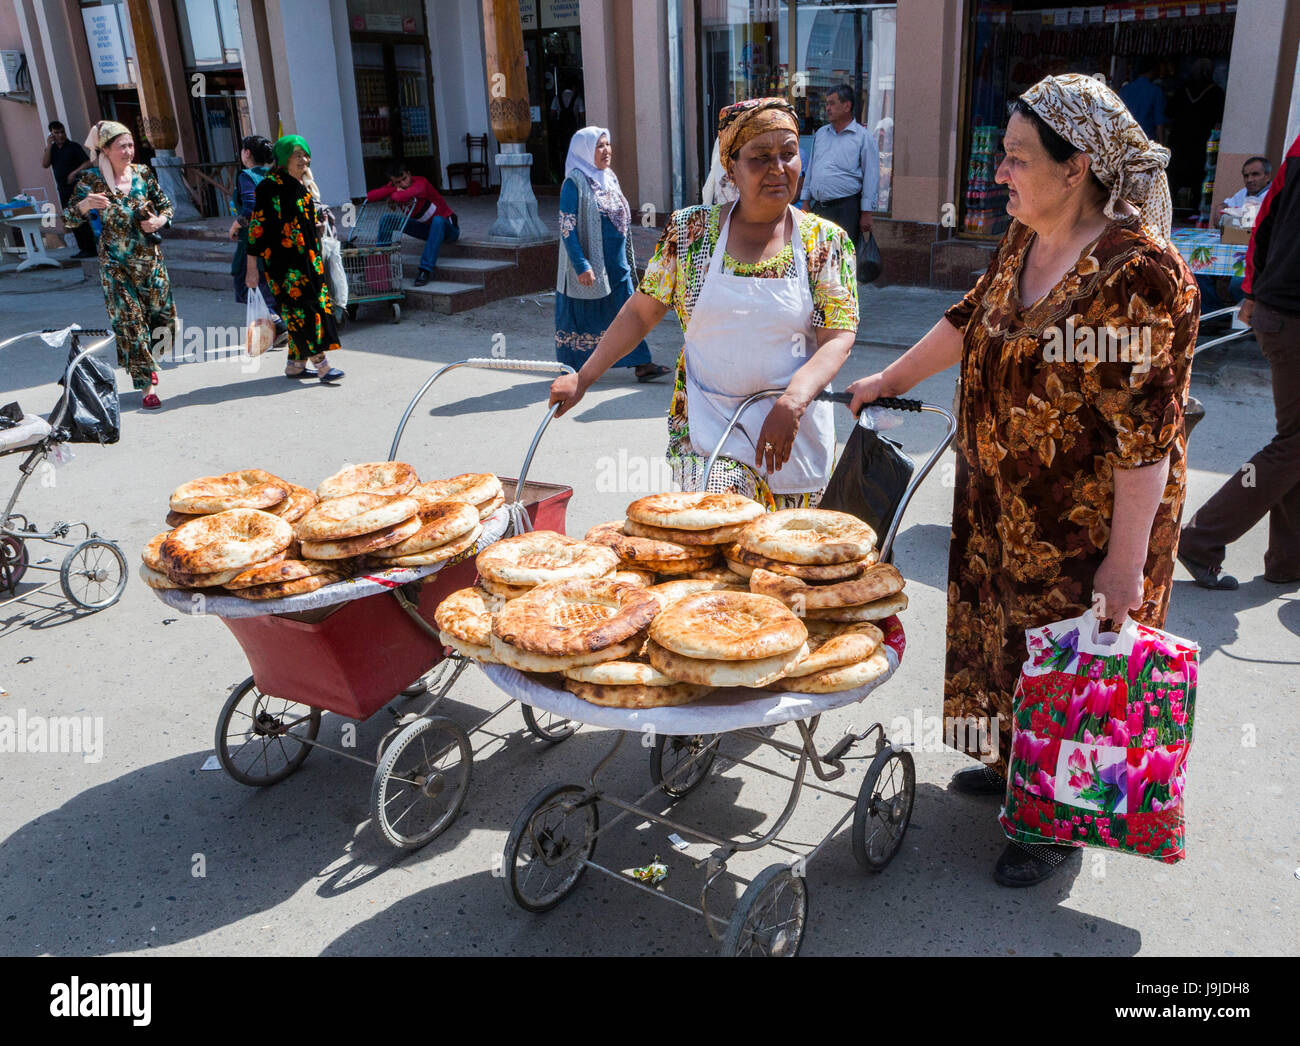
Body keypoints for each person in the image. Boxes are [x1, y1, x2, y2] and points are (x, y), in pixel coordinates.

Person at [846, 74, 1198, 886]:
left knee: (1071, 660)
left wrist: (1123, 565)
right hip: (1000, 502)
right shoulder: (1025, 237)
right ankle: (1008, 763)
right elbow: (968, 320)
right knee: (998, 635)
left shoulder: (1140, 275)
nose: (998, 174)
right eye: (1001, 157)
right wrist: (887, 381)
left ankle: (1055, 822)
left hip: (1085, 525)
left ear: (1078, 169)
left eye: (1016, 159)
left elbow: (1147, 440)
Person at [549, 98, 859, 508]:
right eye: (760, 158)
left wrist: (794, 399)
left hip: (791, 427)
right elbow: (641, 313)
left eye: (788, 153)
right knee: (719, 529)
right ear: (730, 168)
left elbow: (837, 336)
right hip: (710, 424)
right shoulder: (691, 233)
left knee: (782, 561)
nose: (778, 168)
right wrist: (583, 377)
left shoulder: (826, 242)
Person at [1179, 133, 1300, 590]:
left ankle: (1288, 562)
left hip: (1278, 308)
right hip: (1291, 314)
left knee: (1295, 443)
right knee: (1292, 445)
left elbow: (1265, 221)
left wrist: (1252, 290)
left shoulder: (1295, 150)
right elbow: (1267, 220)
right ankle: (1201, 537)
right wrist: (1250, 290)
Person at [62, 120, 177, 410]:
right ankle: (146, 385)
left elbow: (166, 206)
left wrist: (158, 221)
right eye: (121, 146)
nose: (128, 151)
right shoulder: (91, 182)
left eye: (130, 145)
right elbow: (67, 219)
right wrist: (86, 205)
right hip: (116, 265)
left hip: (150, 262)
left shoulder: (143, 173)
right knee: (131, 325)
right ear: (105, 150)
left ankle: (150, 359)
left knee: (165, 322)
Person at [554, 127, 665, 382]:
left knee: (628, 313)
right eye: (599, 146)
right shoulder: (574, 183)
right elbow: (567, 229)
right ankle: (572, 369)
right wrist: (582, 265)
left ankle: (642, 363)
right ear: (584, 151)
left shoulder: (609, 178)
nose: (607, 151)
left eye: (608, 144)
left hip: (617, 265)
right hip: (590, 267)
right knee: (582, 316)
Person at [246, 135, 343, 381]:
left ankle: (295, 365)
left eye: (306, 154)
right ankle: (322, 365)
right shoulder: (269, 187)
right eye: (297, 155)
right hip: (283, 265)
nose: (304, 160)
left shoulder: (302, 186)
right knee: (304, 312)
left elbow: (304, 222)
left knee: (308, 309)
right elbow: (257, 229)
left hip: (309, 261)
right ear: (283, 158)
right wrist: (251, 268)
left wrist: (318, 226)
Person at [800, 84, 879, 244]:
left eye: (832, 103)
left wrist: (866, 212)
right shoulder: (821, 134)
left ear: (847, 106)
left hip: (846, 209)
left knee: (843, 259)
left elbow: (871, 176)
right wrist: (805, 201)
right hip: (819, 208)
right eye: (826, 104)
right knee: (817, 256)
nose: (827, 108)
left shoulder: (862, 137)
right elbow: (811, 170)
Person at [365, 162, 459, 287]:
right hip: (426, 229)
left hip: (448, 229)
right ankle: (380, 264)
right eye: (398, 182)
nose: (403, 184)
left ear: (409, 174)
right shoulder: (395, 187)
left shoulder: (421, 182)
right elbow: (370, 196)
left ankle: (425, 270)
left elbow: (403, 196)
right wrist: (393, 189)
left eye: (404, 178)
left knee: (437, 220)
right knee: (387, 219)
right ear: (392, 182)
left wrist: (393, 193)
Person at [228, 134, 284, 341]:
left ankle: (277, 323)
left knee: (245, 285)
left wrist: (235, 225)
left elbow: (251, 209)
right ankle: (278, 326)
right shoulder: (273, 174)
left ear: (247, 153)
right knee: (268, 284)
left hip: (253, 240)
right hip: (276, 239)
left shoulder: (247, 176)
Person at [1200, 156, 1273, 312]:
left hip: (1260, 257)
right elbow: (1225, 208)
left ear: (1267, 176)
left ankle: (1247, 321)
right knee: (1199, 270)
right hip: (1235, 252)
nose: (1250, 179)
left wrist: (1234, 218)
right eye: (1246, 176)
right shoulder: (1244, 193)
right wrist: (1221, 208)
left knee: (1237, 284)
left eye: (1255, 174)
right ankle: (1214, 313)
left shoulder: (1274, 196)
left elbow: (1254, 224)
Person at [1166, 59, 1225, 200]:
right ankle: (1196, 207)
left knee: (1174, 176)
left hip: (1180, 139)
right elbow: (1221, 117)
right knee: (1199, 176)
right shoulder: (1216, 92)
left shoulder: (1182, 90)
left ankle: (1170, 205)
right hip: (1201, 141)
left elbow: (1169, 111)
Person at [42, 121, 96, 258]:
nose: (60, 135)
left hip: (76, 187)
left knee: (80, 217)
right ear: (52, 134)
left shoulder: (73, 146)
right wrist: (49, 144)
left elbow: (88, 162)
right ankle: (83, 249)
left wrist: (75, 172)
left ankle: (90, 248)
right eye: (57, 133)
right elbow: (45, 164)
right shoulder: (52, 149)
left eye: (62, 132)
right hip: (62, 188)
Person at [1118, 57, 1166, 142]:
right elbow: (1159, 122)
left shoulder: (1124, 89)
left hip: (1126, 138)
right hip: (1146, 138)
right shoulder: (1156, 91)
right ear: (1152, 70)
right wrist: (1162, 144)